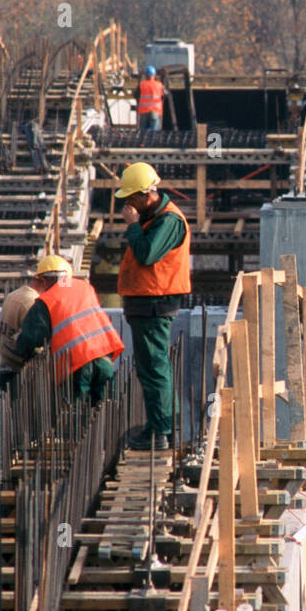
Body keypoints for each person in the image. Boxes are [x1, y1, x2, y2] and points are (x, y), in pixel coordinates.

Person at [115, 162, 191, 450]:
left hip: (154, 304)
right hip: (147, 303)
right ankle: (158, 427)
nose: (128, 204)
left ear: (146, 195)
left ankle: (160, 432)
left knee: (155, 368)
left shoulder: (167, 221)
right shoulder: (155, 218)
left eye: (131, 199)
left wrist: (133, 226)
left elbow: (147, 254)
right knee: (151, 368)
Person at [9, 255, 125, 403]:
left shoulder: (47, 300)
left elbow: (31, 338)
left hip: (78, 364)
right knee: (107, 409)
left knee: (78, 416)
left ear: (44, 281)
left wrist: (19, 349)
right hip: (104, 357)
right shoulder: (85, 287)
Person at [0, 279, 39, 394]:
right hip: (21, 374)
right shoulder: (32, 302)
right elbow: (31, 342)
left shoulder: (14, 295)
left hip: (6, 366)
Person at [137, 66, 165, 133]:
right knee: (153, 134)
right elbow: (165, 95)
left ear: (146, 76)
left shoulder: (141, 85)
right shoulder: (159, 85)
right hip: (155, 111)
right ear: (154, 75)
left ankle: (143, 143)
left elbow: (136, 95)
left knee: (143, 134)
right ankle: (153, 143)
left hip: (143, 111)